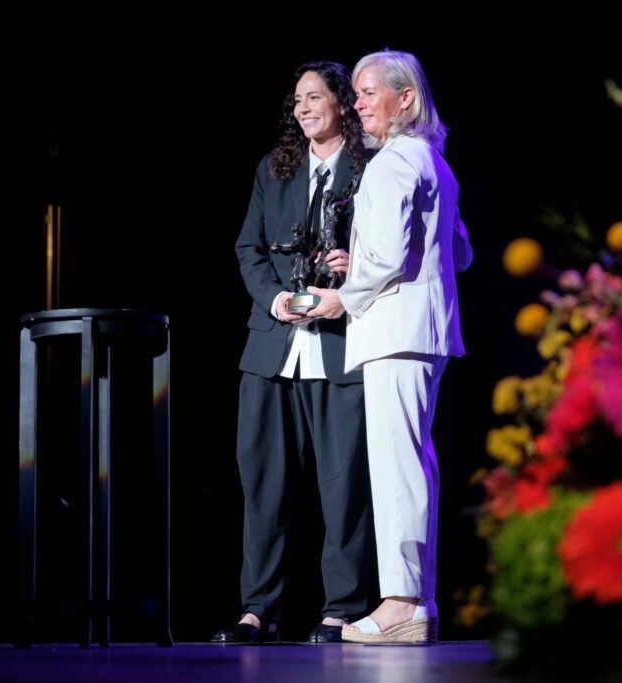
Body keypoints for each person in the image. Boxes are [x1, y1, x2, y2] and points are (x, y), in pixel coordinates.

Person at [307, 49, 472, 644]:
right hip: (422, 331)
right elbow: (459, 253)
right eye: (355, 93)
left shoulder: (392, 161)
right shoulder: (434, 162)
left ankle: (402, 602)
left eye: (368, 91)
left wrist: (343, 295)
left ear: (406, 97)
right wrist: (367, 262)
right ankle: (416, 600)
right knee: (414, 463)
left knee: (397, 465)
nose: (357, 103)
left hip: (395, 332)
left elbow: (388, 258)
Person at [211, 60, 374, 645]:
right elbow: (248, 248)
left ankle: (343, 610)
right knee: (264, 484)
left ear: (342, 102)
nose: (303, 109)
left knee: (344, 485)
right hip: (271, 349)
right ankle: (259, 610)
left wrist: (354, 267)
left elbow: (390, 251)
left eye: (315, 98)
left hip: (340, 347)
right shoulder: (274, 168)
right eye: (297, 100)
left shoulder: (372, 166)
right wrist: (276, 298)